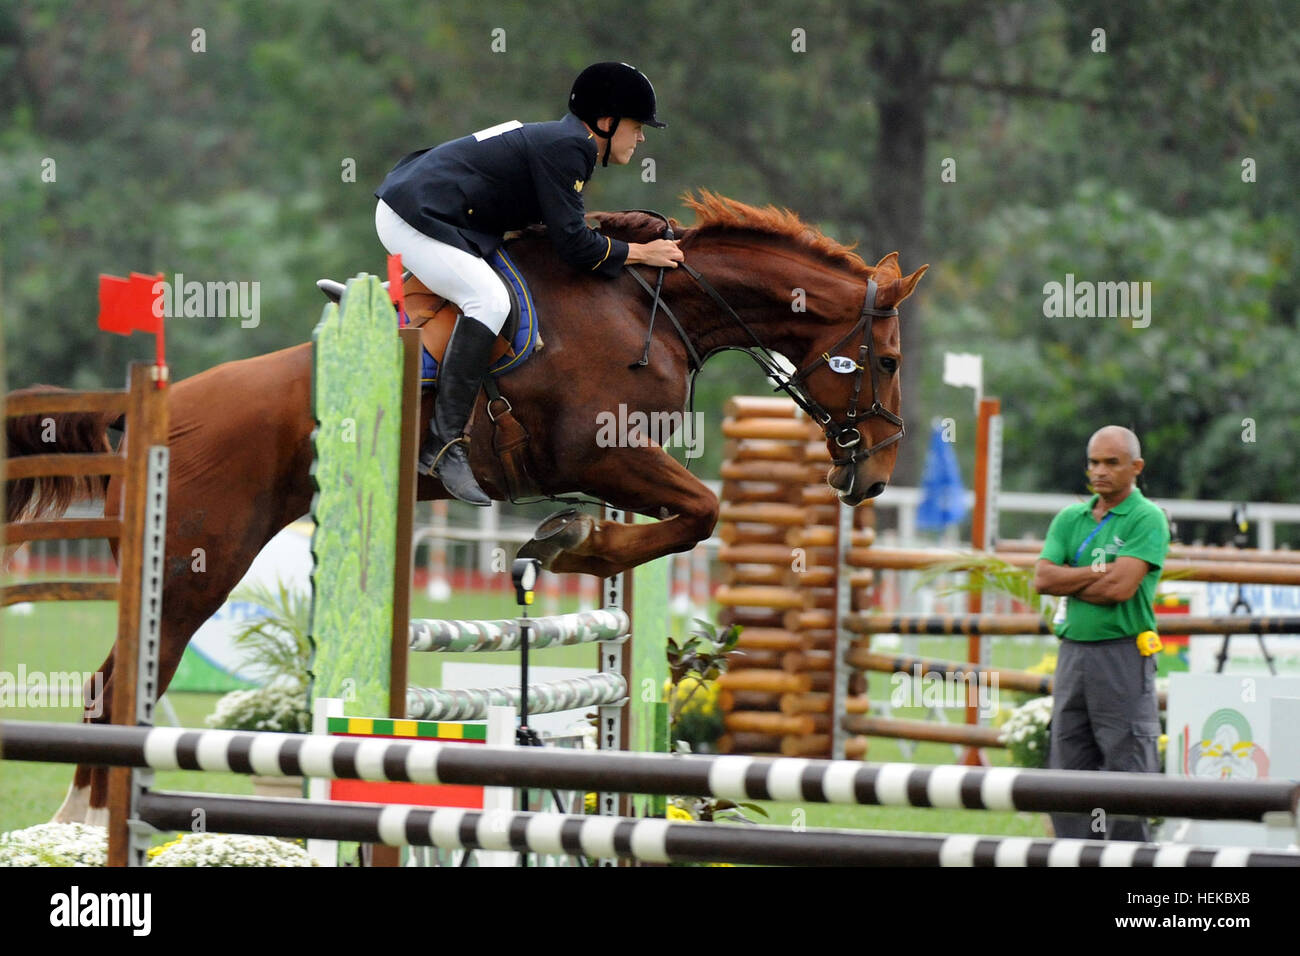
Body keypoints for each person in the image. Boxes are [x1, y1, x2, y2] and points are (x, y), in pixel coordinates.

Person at [374, 62, 684, 505]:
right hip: (414, 214)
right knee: (488, 301)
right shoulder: (570, 147)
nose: (642, 137)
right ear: (605, 122)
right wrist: (641, 253)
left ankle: (390, 308)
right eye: (637, 126)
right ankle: (443, 446)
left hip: (434, 208)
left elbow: (558, 232)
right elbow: (575, 244)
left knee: (485, 284)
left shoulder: (567, 144)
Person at [1032, 425, 1170, 841]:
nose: (1100, 471)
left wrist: (1071, 577)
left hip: (1123, 655)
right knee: (1067, 769)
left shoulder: (1148, 518)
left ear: (1137, 467)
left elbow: (1120, 589)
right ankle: (1075, 854)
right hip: (1073, 654)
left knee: (1128, 770)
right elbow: (1042, 578)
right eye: (1094, 462)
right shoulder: (1070, 517)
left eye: (1112, 462)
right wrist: (1099, 570)